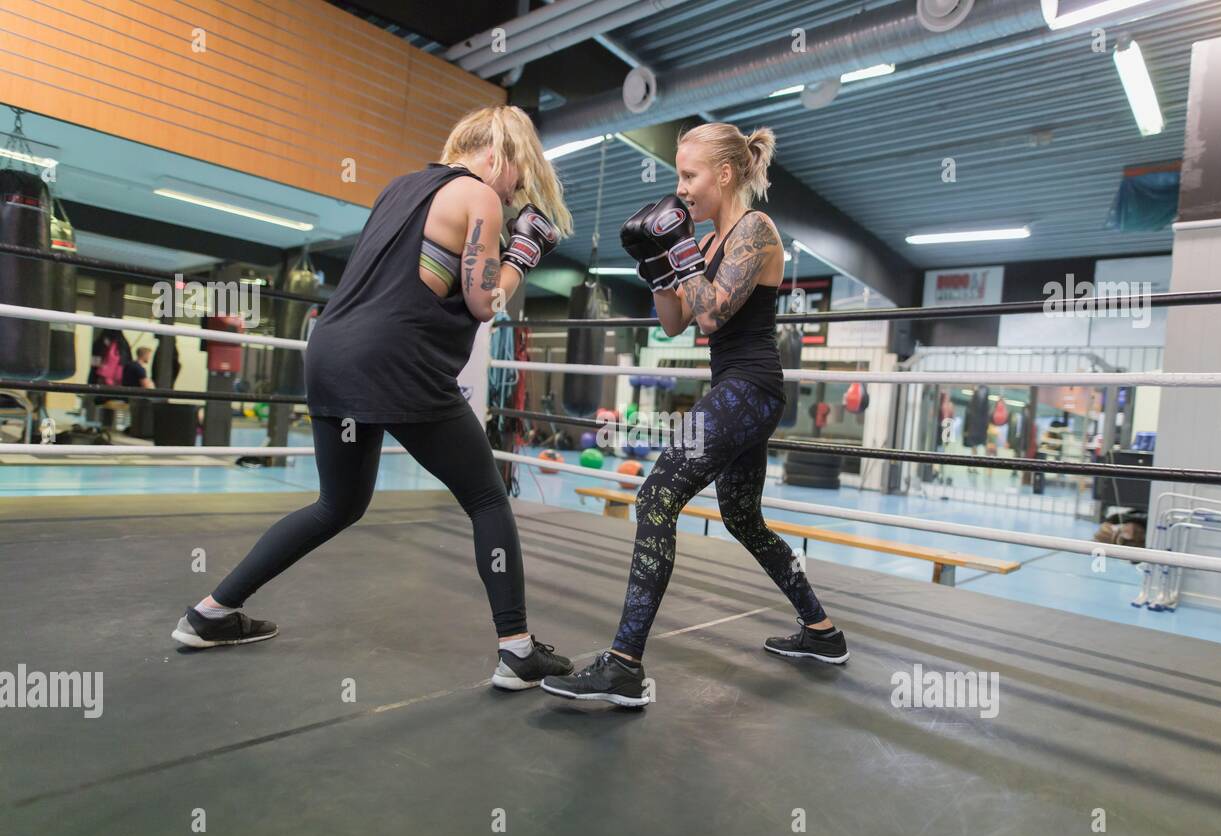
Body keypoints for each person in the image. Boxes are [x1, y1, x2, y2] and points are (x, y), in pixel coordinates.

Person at [173, 105, 576, 692]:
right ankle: (516, 650)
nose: (514, 194)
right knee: (488, 498)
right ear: (499, 155)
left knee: (338, 504)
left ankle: (208, 613)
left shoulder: (400, 188)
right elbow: (483, 301)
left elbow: (421, 278)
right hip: (395, 361)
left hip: (332, 352)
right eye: (517, 176)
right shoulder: (480, 196)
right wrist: (520, 258)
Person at [542, 122, 847, 708]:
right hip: (736, 390)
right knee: (742, 519)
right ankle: (822, 632)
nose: (680, 189)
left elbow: (710, 315)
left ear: (725, 174)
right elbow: (675, 322)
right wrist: (657, 263)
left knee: (656, 495)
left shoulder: (755, 231)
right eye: (677, 177)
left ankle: (625, 664)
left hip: (751, 389)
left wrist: (677, 250)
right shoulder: (706, 243)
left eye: (689, 175)